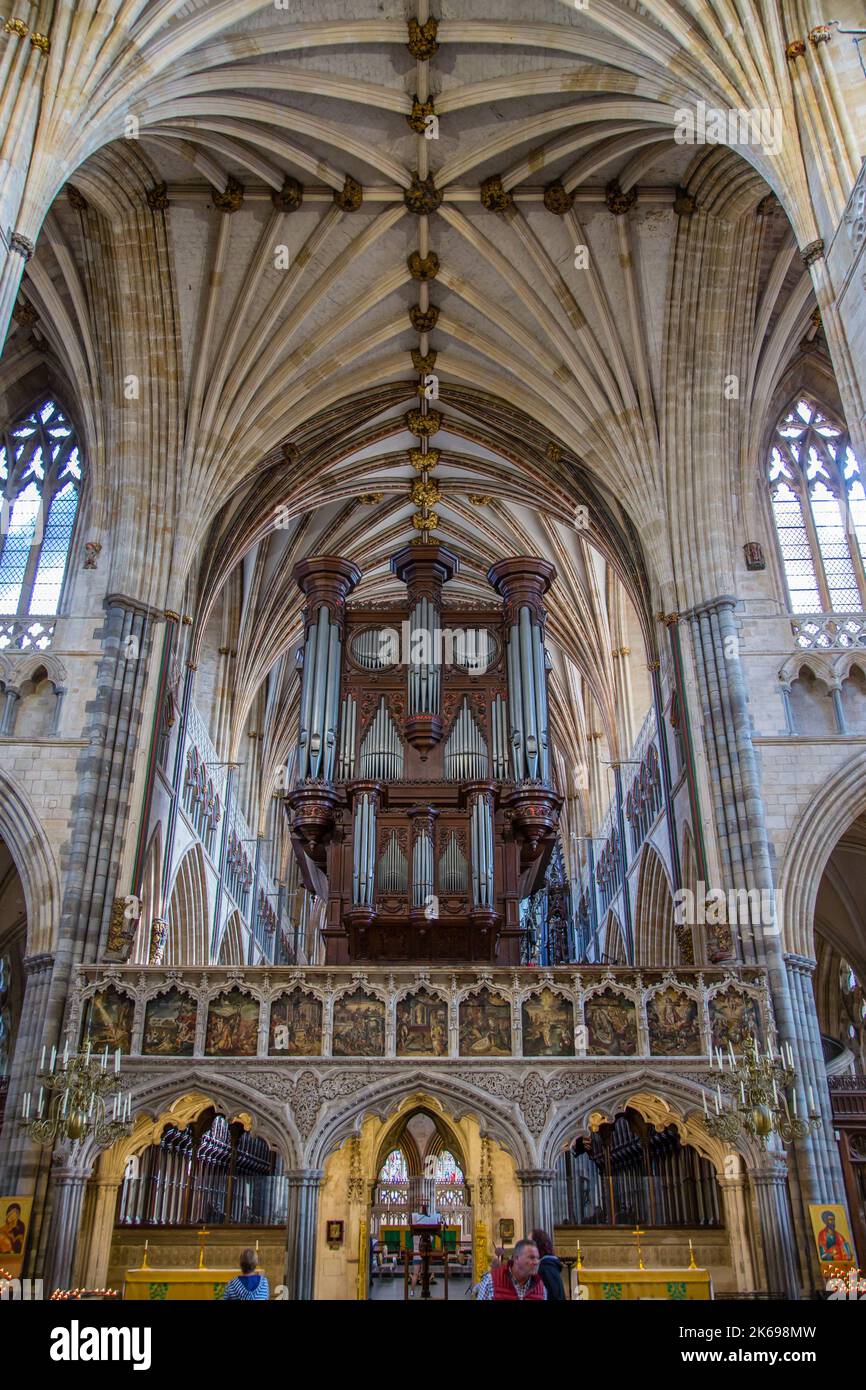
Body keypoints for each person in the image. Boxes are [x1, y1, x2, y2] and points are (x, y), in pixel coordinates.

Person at [475, 1239, 546, 1300]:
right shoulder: (491, 1281)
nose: (537, 1262)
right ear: (516, 1258)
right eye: (531, 1257)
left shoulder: (540, 1287)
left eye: (537, 1258)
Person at [530, 1228, 566, 1300]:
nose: (527, 1248)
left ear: (538, 1246)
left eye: (529, 1244)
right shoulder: (548, 1265)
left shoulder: (546, 1269)